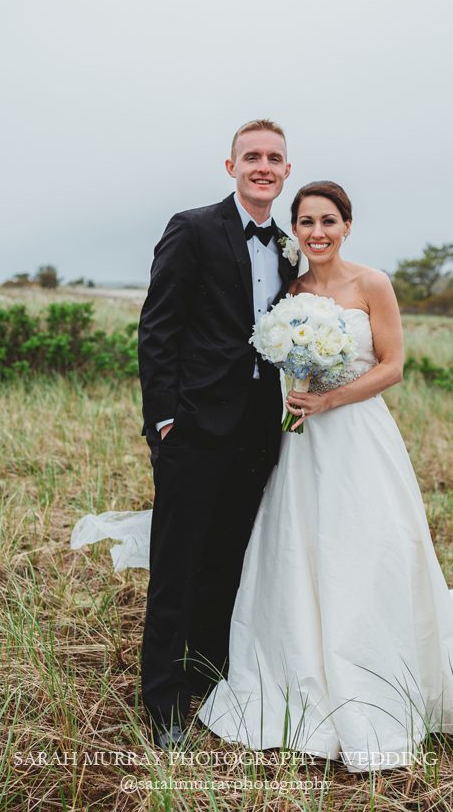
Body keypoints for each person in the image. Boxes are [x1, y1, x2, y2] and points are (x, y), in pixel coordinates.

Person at [72, 179, 453, 771]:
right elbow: (192, 332)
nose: (316, 231)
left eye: (328, 221)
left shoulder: (373, 284)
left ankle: (377, 666)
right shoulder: (291, 284)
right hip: (293, 439)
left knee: (371, 546)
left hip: (357, 435)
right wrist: (170, 416)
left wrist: (331, 400)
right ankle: (250, 676)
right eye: (307, 221)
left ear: (346, 227)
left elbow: (393, 366)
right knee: (290, 549)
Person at [133, 119, 298, 748]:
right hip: (194, 425)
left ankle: (208, 668)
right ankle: (163, 697)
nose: (263, 166)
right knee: (177, 561)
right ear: (230, 167)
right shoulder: (193, 227)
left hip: (259, 428)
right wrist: (164, 419)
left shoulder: (288, 245)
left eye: (274, 158)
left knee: (229, 556)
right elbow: (159, 327)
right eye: (251, 156)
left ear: (286, 171)